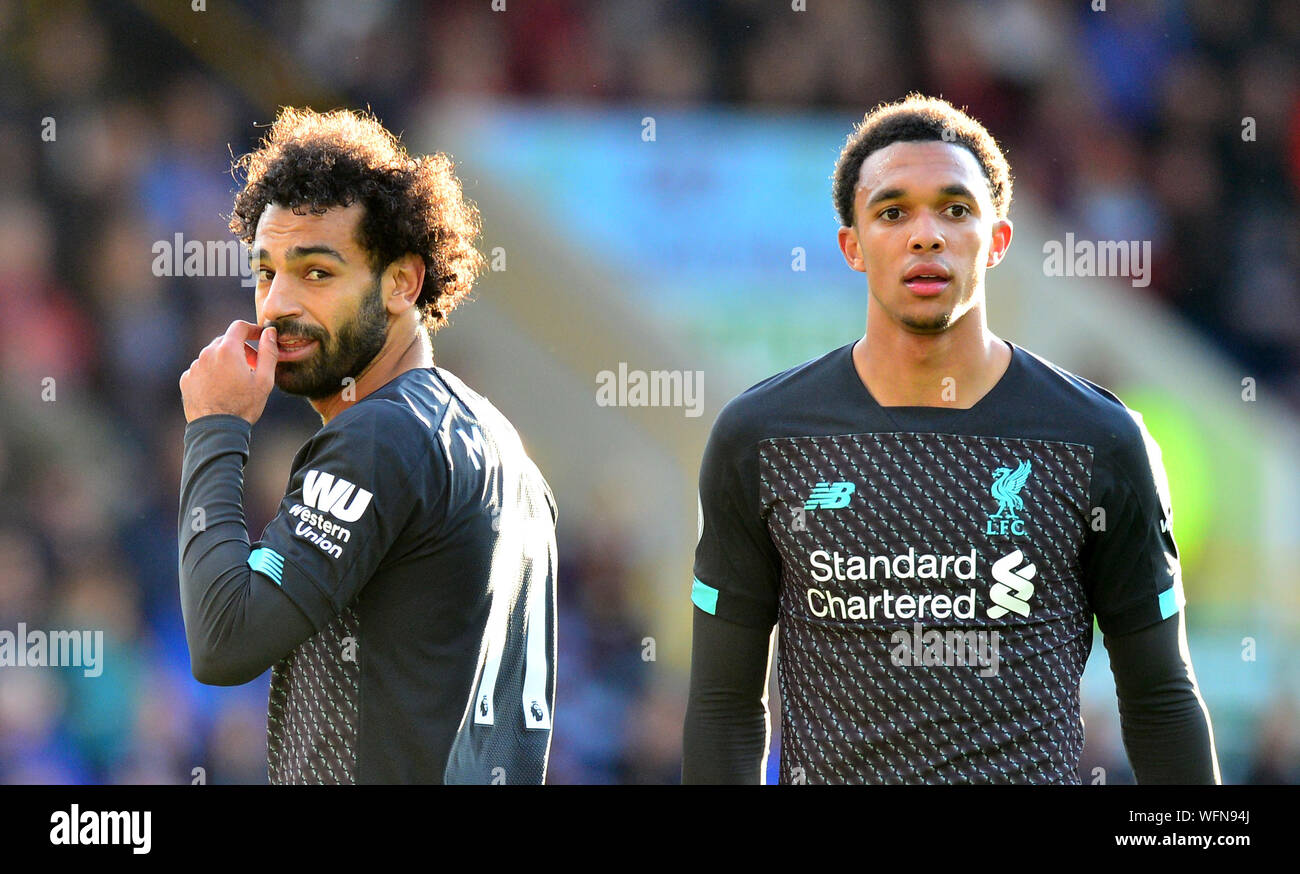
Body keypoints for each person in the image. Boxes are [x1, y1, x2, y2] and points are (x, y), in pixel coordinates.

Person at [682, 93, 1220, 785]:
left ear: (997, 239)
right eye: (893, 211)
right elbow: (725, 706)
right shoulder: (761, 439)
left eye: (956, 209)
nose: (926, 234)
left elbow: (1161, 699)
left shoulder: (1100, 440)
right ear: (852, 246)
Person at [178, 107, 557, 784]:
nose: (277, 306)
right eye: (266, 273)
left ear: (403, 282)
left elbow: (224, 641)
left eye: (317, 273)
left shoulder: (382, 434)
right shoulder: (507, 450)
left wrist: (215, 426)